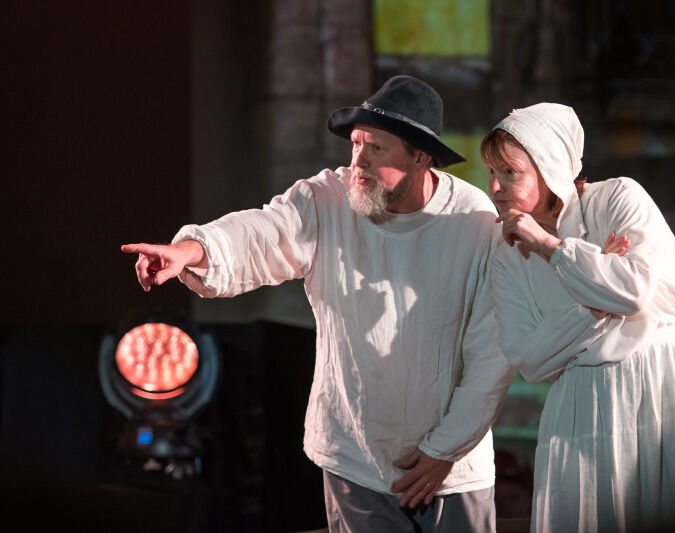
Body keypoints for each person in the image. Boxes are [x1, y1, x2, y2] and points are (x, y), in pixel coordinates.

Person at [122, 75, 513, 533]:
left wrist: (446, 450)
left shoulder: (474, 220)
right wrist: (191, 250)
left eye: (376, 149)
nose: (358, 162)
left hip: (454, 472)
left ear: (421, 156)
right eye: (355, 144)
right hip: (358, 460)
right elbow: (264, 233)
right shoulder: (328, 199)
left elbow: (492, 353)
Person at [483, 103, 675, 532]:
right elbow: (531, 359)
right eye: (492, 173)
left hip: (667, 387)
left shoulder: (617, 197)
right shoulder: (504, 255)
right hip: (586, 407)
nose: (496, 187)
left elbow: (633, 291)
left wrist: (549, 246)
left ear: (551, 168)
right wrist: (595, 303)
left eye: (511, 172)